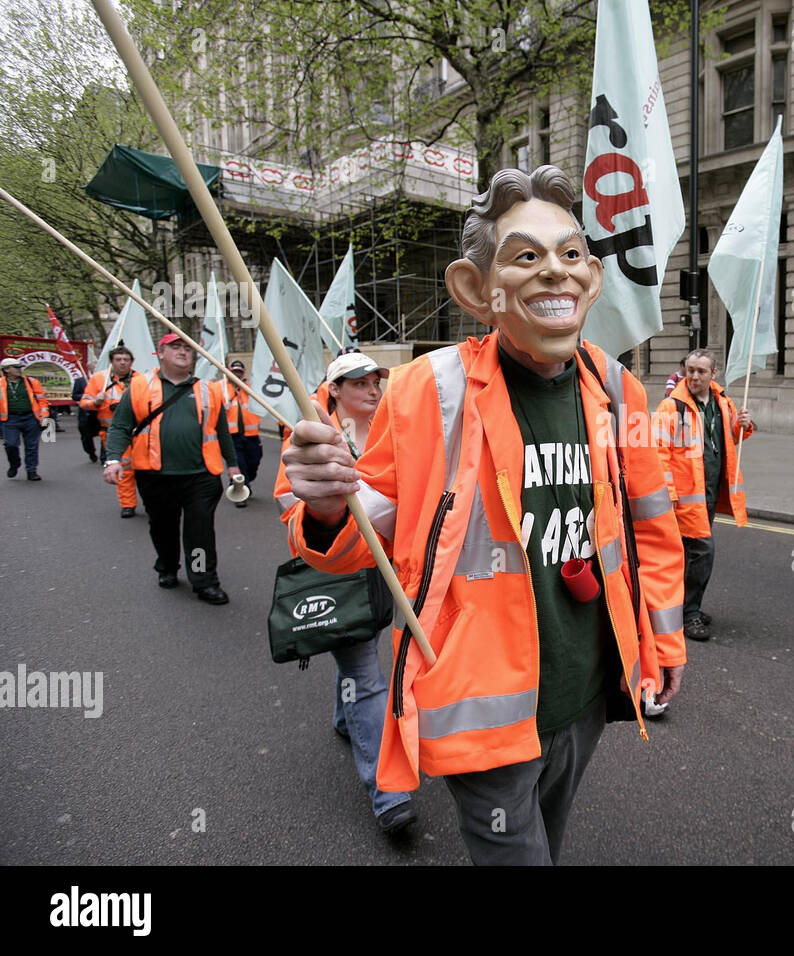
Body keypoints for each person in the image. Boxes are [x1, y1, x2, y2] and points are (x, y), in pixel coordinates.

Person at [281, 165, 686, 865]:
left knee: (549, 845)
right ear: (477, 291)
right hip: (481, 706)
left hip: (587, 693)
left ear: (591, 279)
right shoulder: (423, 392)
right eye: (526, 256)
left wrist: (665, 643)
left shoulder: (620, 390)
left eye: (569, 256)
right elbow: (354, 543)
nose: (554, 274)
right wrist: (321, 506)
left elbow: (652, 524)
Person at [272, 351, 417, 835]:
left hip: (385, 568)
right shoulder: (307, 433)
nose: (373, 389)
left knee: (363, 654)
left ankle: (344, 714)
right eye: (359, 381)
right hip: (332, 569)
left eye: (377, 379)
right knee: (364, 671)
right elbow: (287, 504)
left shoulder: (394, 424)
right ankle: (389, 794)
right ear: (333, 389)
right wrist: (326, 506)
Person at [103, 334, 242, 605]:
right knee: (163, 528)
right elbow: (120, 425)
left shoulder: (209, 389)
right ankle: (167, 566)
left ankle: (204, 580)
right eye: (175, 347)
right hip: (155, 476)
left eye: (187, 348)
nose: (182, 352)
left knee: (200, 531)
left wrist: (233, 464)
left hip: (201, 476)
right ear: (161, 353)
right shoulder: (140, 385)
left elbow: (222, 431)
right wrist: (113, 459)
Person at [653, 348, 753, 642]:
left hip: (709, 494)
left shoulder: (723, 402)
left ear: (714, 374)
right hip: (684, 500)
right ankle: (688, 614)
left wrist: (744, 426)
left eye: (700, 371)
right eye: (689, 370)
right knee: (702, 553)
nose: (693, 376)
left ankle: (682, 607)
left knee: (687, 557)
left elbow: (732, 437)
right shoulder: (671, 408)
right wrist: (668, 494)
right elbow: (659, 455)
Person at [82, 346, 140, 517]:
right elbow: (83, 403)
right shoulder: (99, 379)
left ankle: (152, 501)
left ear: (131, 361)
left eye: (126, 359)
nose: (122, 363)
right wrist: (96, 402)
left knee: (146, 468)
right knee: (123, 468)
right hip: (112, 433)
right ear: (111, 362)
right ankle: (128, 504)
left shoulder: (141, 380)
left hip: (140, 433)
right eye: (118, 359)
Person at [2, 357, 51, 481]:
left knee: (32, 446)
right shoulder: (1, 384)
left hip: (30, 417)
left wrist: (44, 418)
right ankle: (15, 464)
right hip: (9, 419)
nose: (19, 369)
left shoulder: (31, 382)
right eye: (16, 367)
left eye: (20, 367)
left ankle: (31, 470)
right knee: (11, 444)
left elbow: (42, 401)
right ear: (7, 370)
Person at [224, 359, 263, 508]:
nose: (237, 375)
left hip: (251, 434)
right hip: (233, 435)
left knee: (254, 462)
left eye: (239, 372)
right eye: (234, 372)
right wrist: (230, 396)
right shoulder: (223, 389)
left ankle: (246, 480)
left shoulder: (250, 388)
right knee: (240, 464)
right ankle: (240, 492)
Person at [71, 373, 102, 464]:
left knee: (105, 434)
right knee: (86, 436)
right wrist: (86, 396)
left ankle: (104, 456)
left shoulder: (104, 380)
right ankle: (91, 452)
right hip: (86, 413)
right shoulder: (80, 380)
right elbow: (75, 396)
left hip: (100, 413)